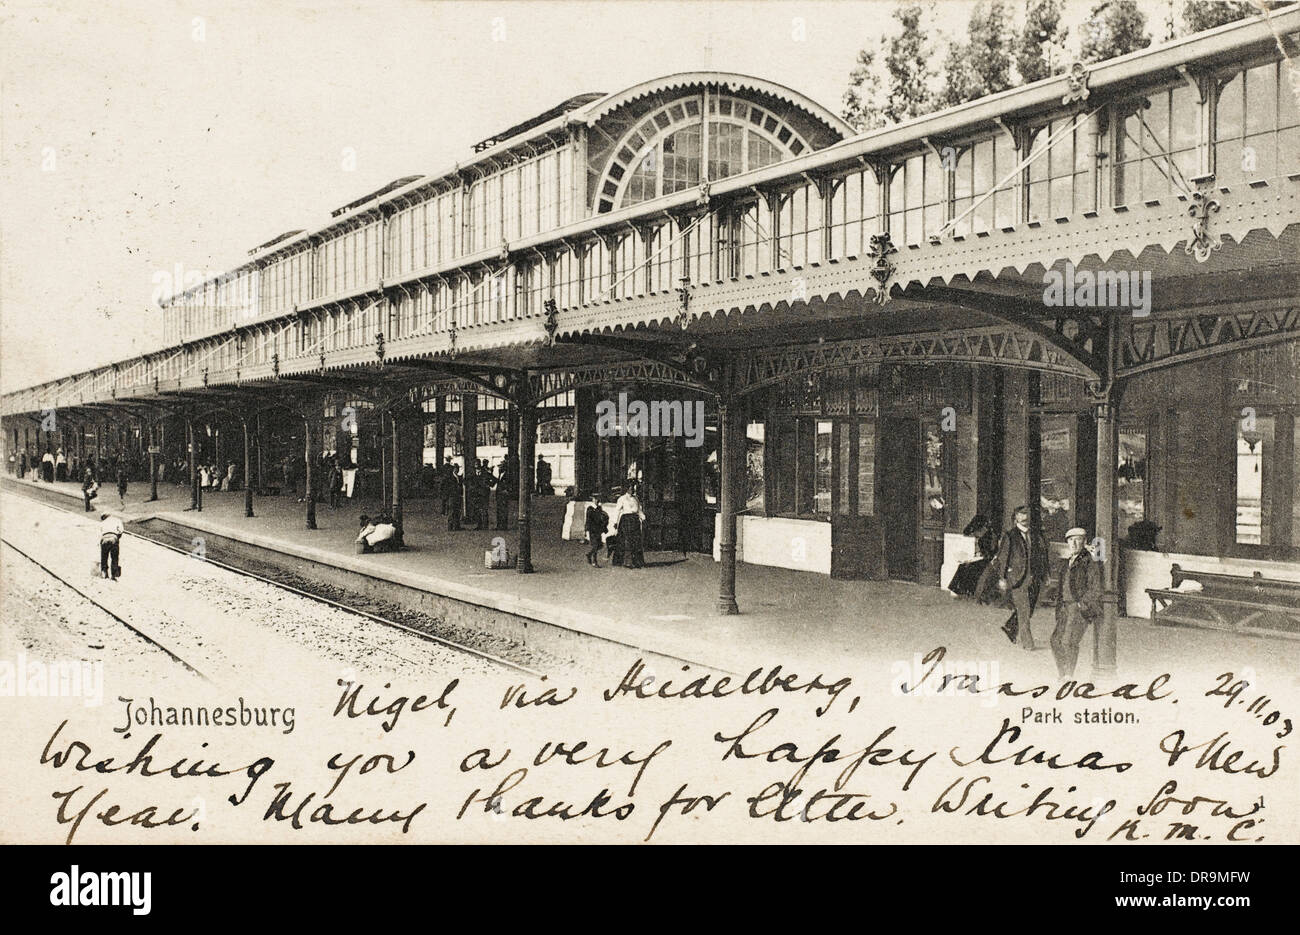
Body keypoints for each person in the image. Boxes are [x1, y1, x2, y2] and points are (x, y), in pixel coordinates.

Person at [992, 505, 1048, 649]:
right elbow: (1002, 558)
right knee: (1024, 611)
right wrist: (1002, 578)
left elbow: (1043, 555)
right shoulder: (1010, 536)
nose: (1025, 518)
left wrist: (1046, 574)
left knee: (1029, 610)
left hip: (1034, 578)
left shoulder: (1035, 535)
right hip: (1017, 579)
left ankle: (1010, 627)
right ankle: (1028, 643)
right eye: (1021, 515)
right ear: (1015, 517)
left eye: (1027, 515)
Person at [1050, 527, 1103, 678]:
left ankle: (1069, 676)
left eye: (1077, 540)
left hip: (1077, 608)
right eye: (1070, 540)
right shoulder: (1067, 562)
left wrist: (1082, 605)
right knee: (1055, 641)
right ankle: (1062, 674)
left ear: (1084, 542)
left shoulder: (1089, 562)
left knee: (1069, 642)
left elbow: (1095, 588)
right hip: (1065, 607)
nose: (1073, 543)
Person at [947, 513, 997, 599]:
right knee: (962, 566)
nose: (976, 535)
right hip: (982, 559)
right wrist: (977, 555)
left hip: (990, 561)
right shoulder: (982, 536)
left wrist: (980, 556)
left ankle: (968, 592)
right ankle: (960, 592)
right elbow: (966, 532)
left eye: (978, 532)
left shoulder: (991, 536)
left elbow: (991, 554)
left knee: (971, 567)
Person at [611, 484, 646, 569]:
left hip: (635, 521)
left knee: (636, 541)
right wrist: (615, 522)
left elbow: (639, 510)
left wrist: (643, 518)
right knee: (627, 541)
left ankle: (637, 562)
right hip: (626, 521)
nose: (632, 490)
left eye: (633, 489)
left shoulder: (636, 498)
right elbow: (617, 510)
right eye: (630, 488)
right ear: (626, 489)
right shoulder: (622, 499)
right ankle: (627, 562)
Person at [584, 496, 609, 567]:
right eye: (595, 499)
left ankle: (589, 555)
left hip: (598, 529)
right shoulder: (590, 509)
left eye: (598, 499)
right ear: (592, 500)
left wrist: (604, 528)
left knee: (599, 545)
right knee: (595, 545)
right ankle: (594, 561)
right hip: (592, 530)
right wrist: (586, 529)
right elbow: (588, 519)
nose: (597, 501)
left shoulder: (599, 508)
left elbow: (602, 518)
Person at [99, 510, 124, 579]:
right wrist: (117, 538)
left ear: (104, 517)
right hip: (114, 538)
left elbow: (100, 533)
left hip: (104, 539)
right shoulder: (117, 520)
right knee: (114, 557)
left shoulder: (102, 523)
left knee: (104, 556)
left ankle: (104, 572)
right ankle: (114, 574)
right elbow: (121, 530)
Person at [495, 454, 517, 531]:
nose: (499, 468)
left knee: (504, 510)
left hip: (504, 494)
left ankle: (503, 526)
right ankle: (499, 525)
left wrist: (507, 490)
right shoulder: (500, 474)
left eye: (500, 466)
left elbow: (511, 484)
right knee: (499, 510)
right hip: (499, 494)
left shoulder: (507, 475)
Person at [445, 464, 464, 531]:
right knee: (452, 511)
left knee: (457, 511)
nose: (457, 470)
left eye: (458, 468)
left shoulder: (459, 477)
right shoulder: (449, 478)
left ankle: (457, 526)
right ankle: (450, 527)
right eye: (456, 468)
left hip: (458, 496)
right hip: (452, 497)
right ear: (453, 469)